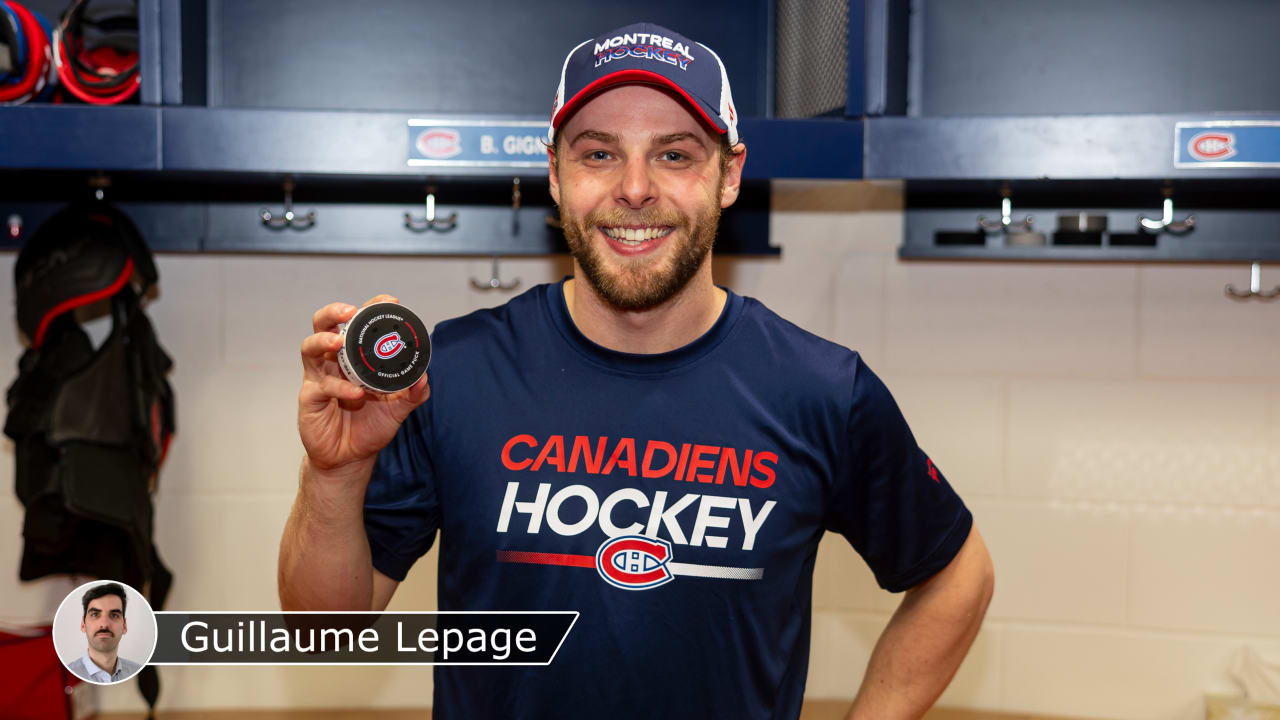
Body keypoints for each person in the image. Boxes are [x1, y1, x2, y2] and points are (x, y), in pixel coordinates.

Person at [279, 21, 994, 720]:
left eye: (675, 156)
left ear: (730, 175)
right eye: (598, 154)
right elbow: (323, 635)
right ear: (555, 173)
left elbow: (958, 576)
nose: (635, 188)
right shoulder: (453, 375)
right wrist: (335, 477)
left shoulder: (821, 391)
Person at [66, 582, 143, 684]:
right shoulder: (67, 676)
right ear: (83, 625)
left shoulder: (136, 670)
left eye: (114, 615)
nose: (104, 624)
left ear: (124, 626)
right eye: (95, 614)